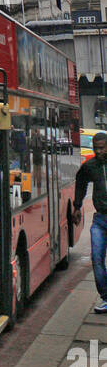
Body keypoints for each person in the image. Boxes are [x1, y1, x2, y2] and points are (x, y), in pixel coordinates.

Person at [73, 131, 107, 313]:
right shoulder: (91, 166)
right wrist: (77, 206)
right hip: (101, 219)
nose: (98, 151)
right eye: (96, 148)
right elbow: (80, 181)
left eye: (102, 148)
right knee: (96, 258)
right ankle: (106, 297)